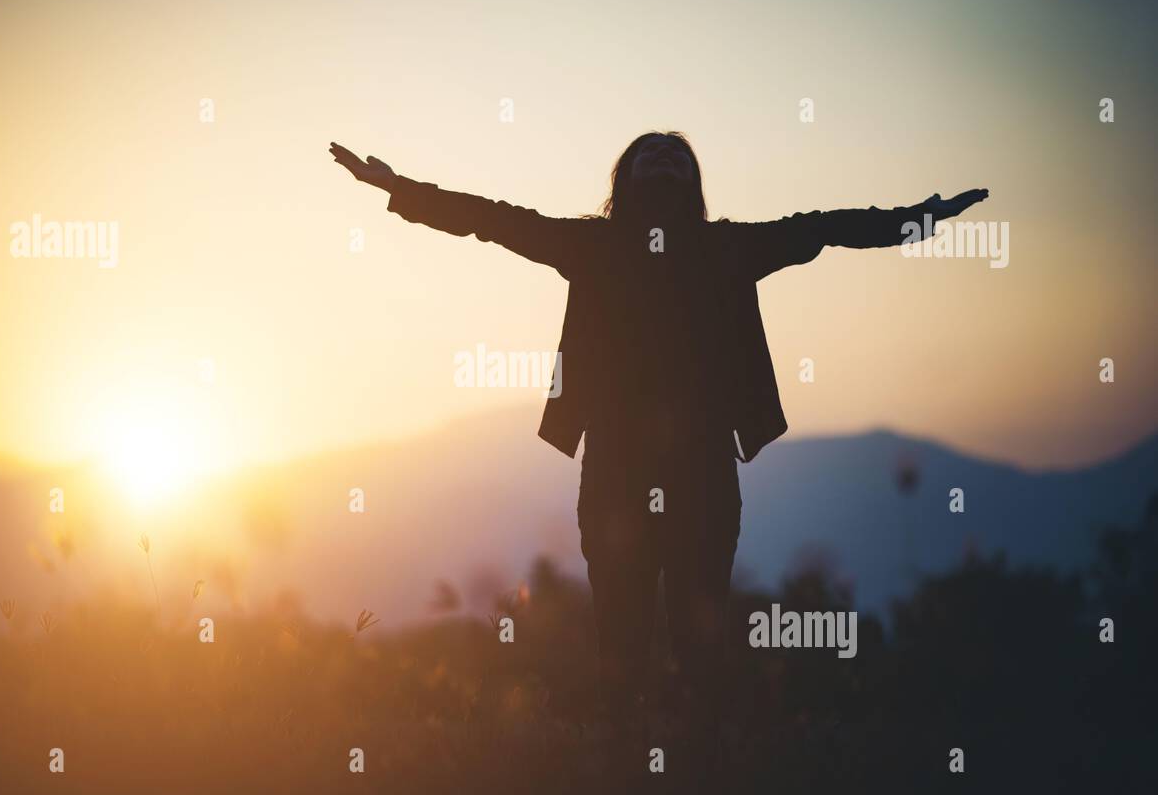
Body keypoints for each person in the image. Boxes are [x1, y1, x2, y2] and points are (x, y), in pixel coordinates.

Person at [330, 132, 987, 758]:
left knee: (700, 636)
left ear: (692, 182)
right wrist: (398, 189)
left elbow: (824, 227)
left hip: (702, 470)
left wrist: (919, 219)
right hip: (616, 470)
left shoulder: (727, 248)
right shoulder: (592, 246)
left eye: (678, 158)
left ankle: (698, 764)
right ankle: (624, 759)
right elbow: (493, 220)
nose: (667, 164)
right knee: (622, 636)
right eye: (654, 156)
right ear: (628, 177)